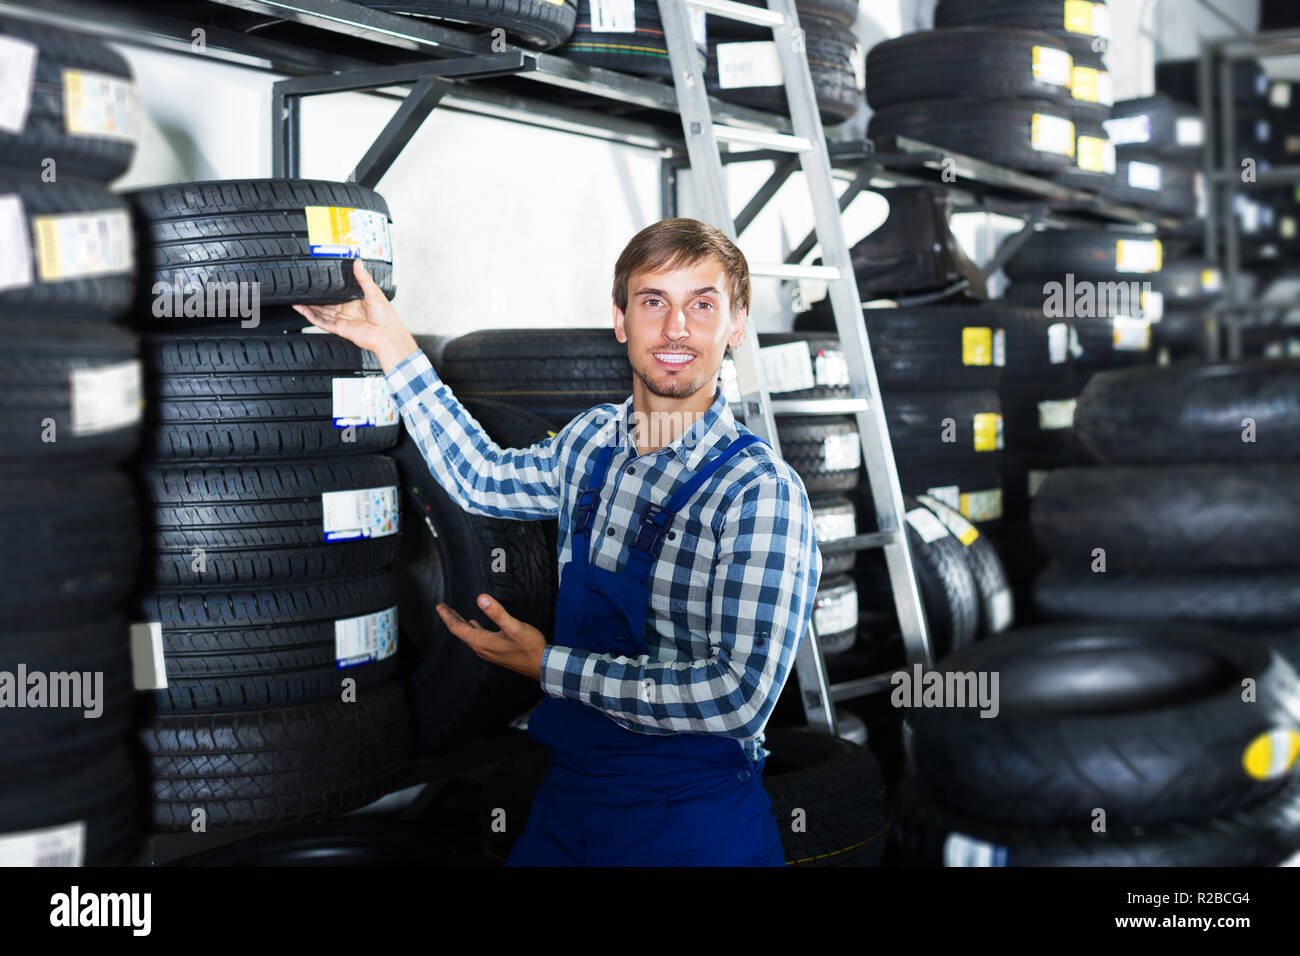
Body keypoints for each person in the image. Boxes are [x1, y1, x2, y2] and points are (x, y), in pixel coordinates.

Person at [293, 217, 823, 866]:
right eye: (653, 302)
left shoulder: (759, 490)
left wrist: (548, 667)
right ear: (621, 319)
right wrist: (394, 346)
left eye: (702, 306)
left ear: (736, 325)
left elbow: (736, 699)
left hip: (689, 822)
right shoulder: (591, 441)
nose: (676, 328)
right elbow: (482, 478)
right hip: (570, 804)